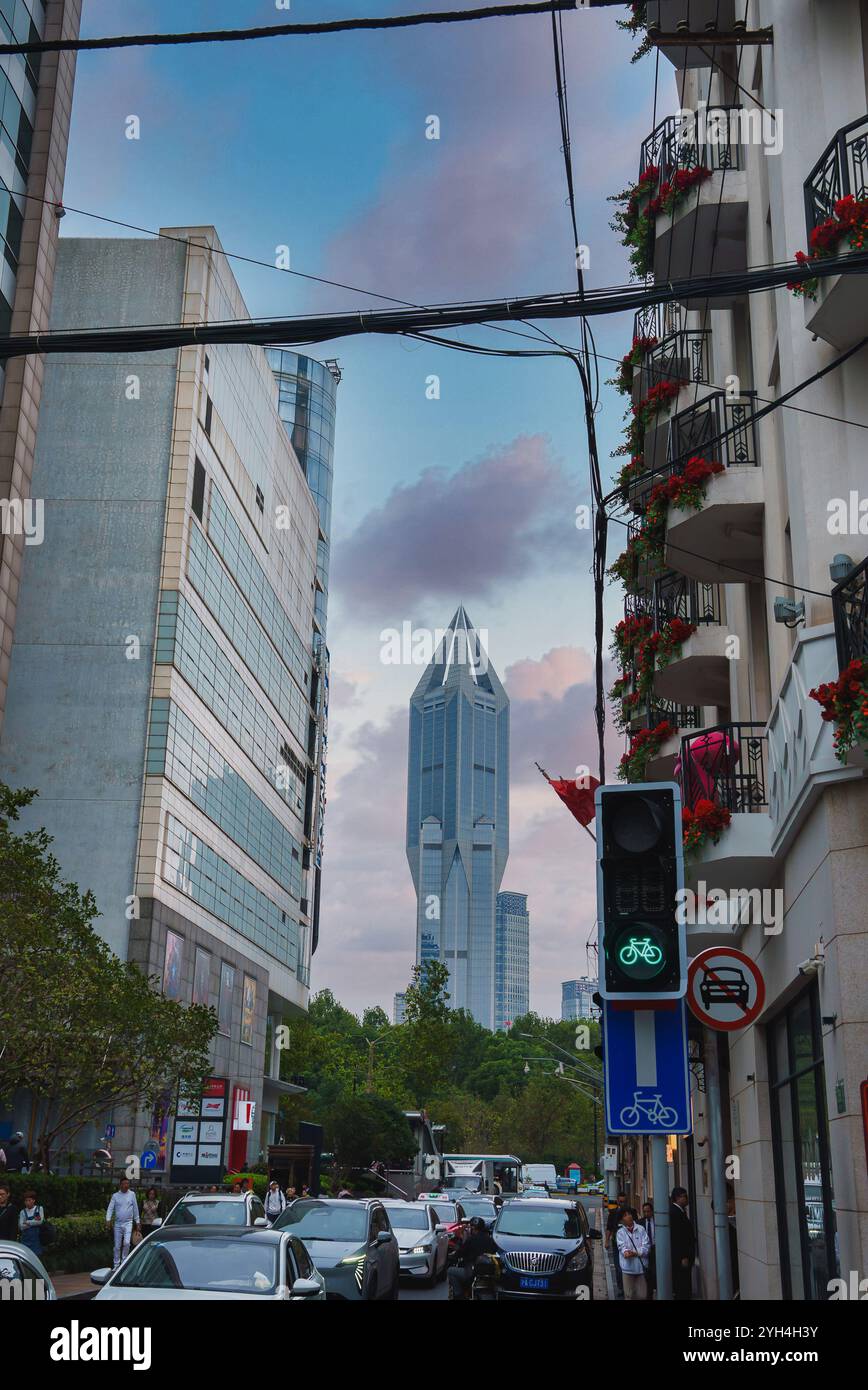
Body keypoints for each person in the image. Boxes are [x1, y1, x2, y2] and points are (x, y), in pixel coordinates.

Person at [447, 1217, 497, 1300]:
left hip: (472, 1273)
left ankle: (459, 1295)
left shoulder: (471, 1239)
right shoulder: (490, 1240)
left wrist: (452, 1256)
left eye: (470, 1227)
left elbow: (460, 1253)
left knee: (450, 1271)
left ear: (473, 1228)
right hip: (488, 1275)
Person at [605, 1192, 638, 1300]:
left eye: (624, 1202)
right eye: (621, 1201)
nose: (622, 1204)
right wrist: (606, 1241)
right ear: (618, 1201)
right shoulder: (613, 1213)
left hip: (630, 1244)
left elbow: (637, 1226)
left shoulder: (632, 1212)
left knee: (630, 1266)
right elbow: (609, 1227)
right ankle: (621, 1288)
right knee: (619, 1267)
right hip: (616, 1244)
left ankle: (630, 1288)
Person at [106, 1177, 140, 1270]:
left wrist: (137, 1222)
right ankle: (116, 1265)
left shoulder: (132, 1194)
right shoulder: (115, 1196)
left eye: (127, 1184)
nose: (126, 1185)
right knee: (117, 1246)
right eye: (124, 1184)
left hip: (128, 1223)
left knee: (127, 1243)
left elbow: (135, 1209)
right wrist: (108, 1219)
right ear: (120, 1185)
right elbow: (110, 1208)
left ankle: (124, 1262)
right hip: (117, 1224)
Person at [616, 1208, 650, 1301]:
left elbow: (646, 1248)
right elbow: (622, 1248)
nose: (628, 1216)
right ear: (622, 1220)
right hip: (628, 1270)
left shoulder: (641, 1229)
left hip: (641, 1268)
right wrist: (627, 1252)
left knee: (642, 1296)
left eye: (629, 1214)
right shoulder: (620, 1232)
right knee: (629, 1296)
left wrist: (635, 1253)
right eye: (625, 1215)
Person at [670, 1186, 696, 1300]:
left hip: (684, 1255)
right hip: (681, 1257)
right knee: (682, 1284)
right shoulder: (674, 1213)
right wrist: (683, 1256)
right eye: (684, 1196)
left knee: (684, 1283)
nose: (687, 1199)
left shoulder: (679, 1211)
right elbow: (678, 1237)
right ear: (677, 1198)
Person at [18, 1191, 44, 1255]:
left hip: (36, 1240)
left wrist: (27, 1222)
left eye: (29, 1200)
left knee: (37, 1256)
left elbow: (40, 1222)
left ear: (34, 1200)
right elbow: (21, 1226)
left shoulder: (39, 1209)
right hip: (25, 1239)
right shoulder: (22, 1212)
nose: (27, 1202)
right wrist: (33, 1222)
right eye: (26, 1201)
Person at [640, 1201, 657, 1299]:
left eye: (648, 1211)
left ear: (652, 1211)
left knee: (654, 1273)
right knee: (646, 1274)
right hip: (644, 1251)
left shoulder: (657, 1222)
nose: (646, 1214)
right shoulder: (640, 1223)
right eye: (644, 1212)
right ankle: (648, 1294)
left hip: (655, 1250)